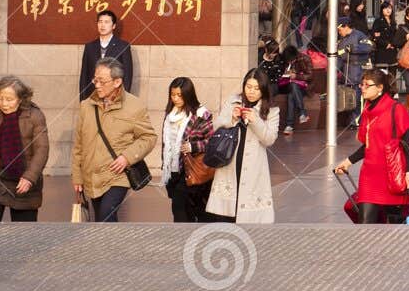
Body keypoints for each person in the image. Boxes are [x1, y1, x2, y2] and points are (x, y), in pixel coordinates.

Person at [71, 57, 156, 223]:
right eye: (95, 80)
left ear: (117, 82)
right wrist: (77, 176)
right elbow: (78, 145)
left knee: (106, 214)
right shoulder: (86, 106)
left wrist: (127, 157)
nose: (97, 85)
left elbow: (148, 137)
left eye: (102, 81)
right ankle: (111, 240)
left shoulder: (135, 106)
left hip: (117, 175)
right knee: (101, 220)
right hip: (92, 175)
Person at [334, 69, 409, 223]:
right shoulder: (367, 110)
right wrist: (348, 162)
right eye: (362, 84)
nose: (362, 88)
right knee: (365, 224)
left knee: (394, 226)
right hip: (369, 175)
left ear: (380, 88)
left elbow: (407, 142)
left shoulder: (396, 109)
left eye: (367, 85)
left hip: (392, 173)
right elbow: (369, 145)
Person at [0, 75, 47, 223]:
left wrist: (29, 177)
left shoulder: (35, 116)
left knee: (22, 232)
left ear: (20, 98)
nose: (4, 104)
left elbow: (41, 150)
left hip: (23, 179)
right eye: (0, 98)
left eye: (9, 99)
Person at [207, 68, 280, 224]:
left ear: (263, 89)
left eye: (256, 88)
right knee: (227, 210)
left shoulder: (271, 110)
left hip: (253, 165)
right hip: (230, 159)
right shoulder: (233, 101)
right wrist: (231, 118)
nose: (251, 91)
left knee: (249, 213)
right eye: (248, 87)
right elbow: (215, 126)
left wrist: (255, 120)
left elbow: (269, 139)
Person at [159, 77, 215, 223]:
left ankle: (183, 234)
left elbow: (212, 142)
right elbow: (166, 144)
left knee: (179, 207)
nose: (175, 98)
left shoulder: (201, 114)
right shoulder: (170, 114)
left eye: (179, 95)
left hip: (191, 168)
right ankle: (192, 232)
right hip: (172, 170)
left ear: (188, 95)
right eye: (173, 94)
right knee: (186, 208)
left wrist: (193, 146)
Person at [77, 10, 134, 101]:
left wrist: (123, 98)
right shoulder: (89, 47)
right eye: (100, 22)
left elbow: (127, 76)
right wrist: (83, 99)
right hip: (93, 95)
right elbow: (84, 75)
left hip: (114, 96)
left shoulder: (123, 46)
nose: (102, 25)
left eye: (106, 22)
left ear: (113, 26)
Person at [333, 16, 373, 127]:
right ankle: (352, 121)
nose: (339, 32)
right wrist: (335, 70)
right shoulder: (341, 40)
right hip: (347, 71)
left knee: (358, 96)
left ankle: (357, 121)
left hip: (359, 70)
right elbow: (340, 57)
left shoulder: (359, 35)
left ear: (346, 26)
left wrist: (354, 48)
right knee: (349, 97)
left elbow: (369, 47)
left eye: (340, 29)